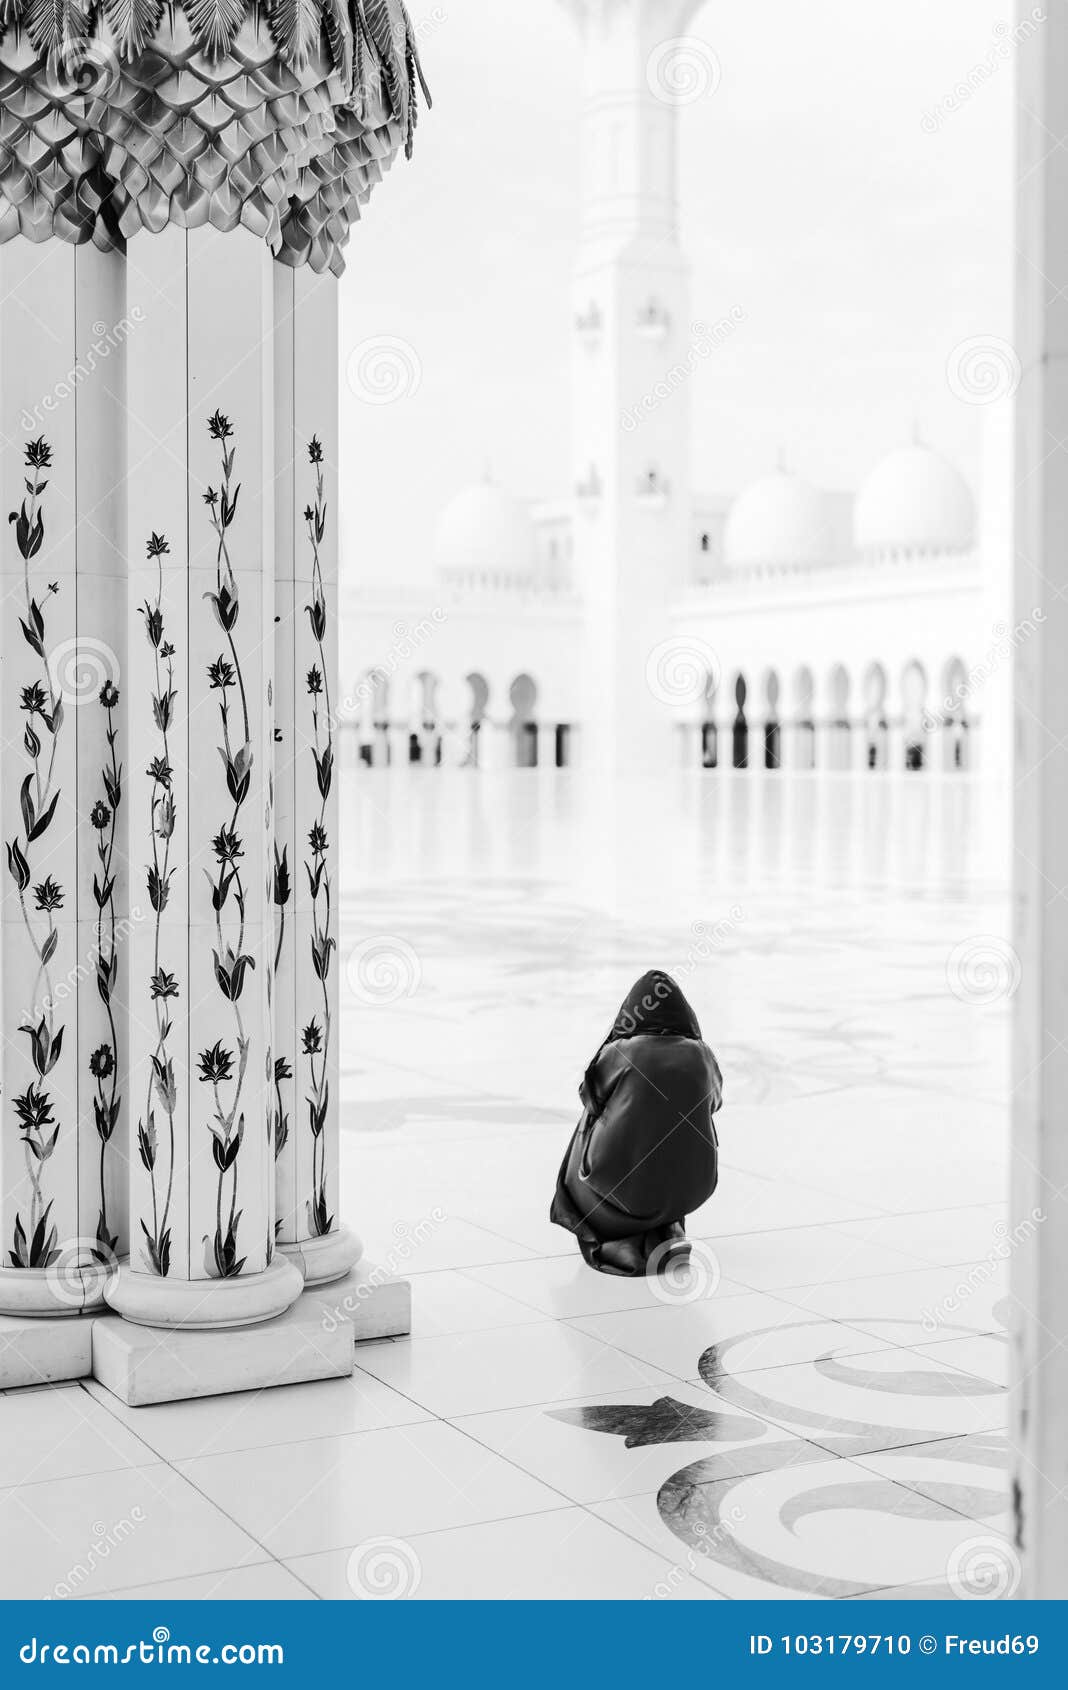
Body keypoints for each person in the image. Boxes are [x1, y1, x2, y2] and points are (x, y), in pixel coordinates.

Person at [550, 970, 723, 1276]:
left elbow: (588, 1097)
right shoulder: (702, 1054)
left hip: (616, 1192)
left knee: (589, 1122)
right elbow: (715, 1103)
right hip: (692, 1188)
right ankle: (665, 1227)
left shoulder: (620, 1052)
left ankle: (618, 1233)